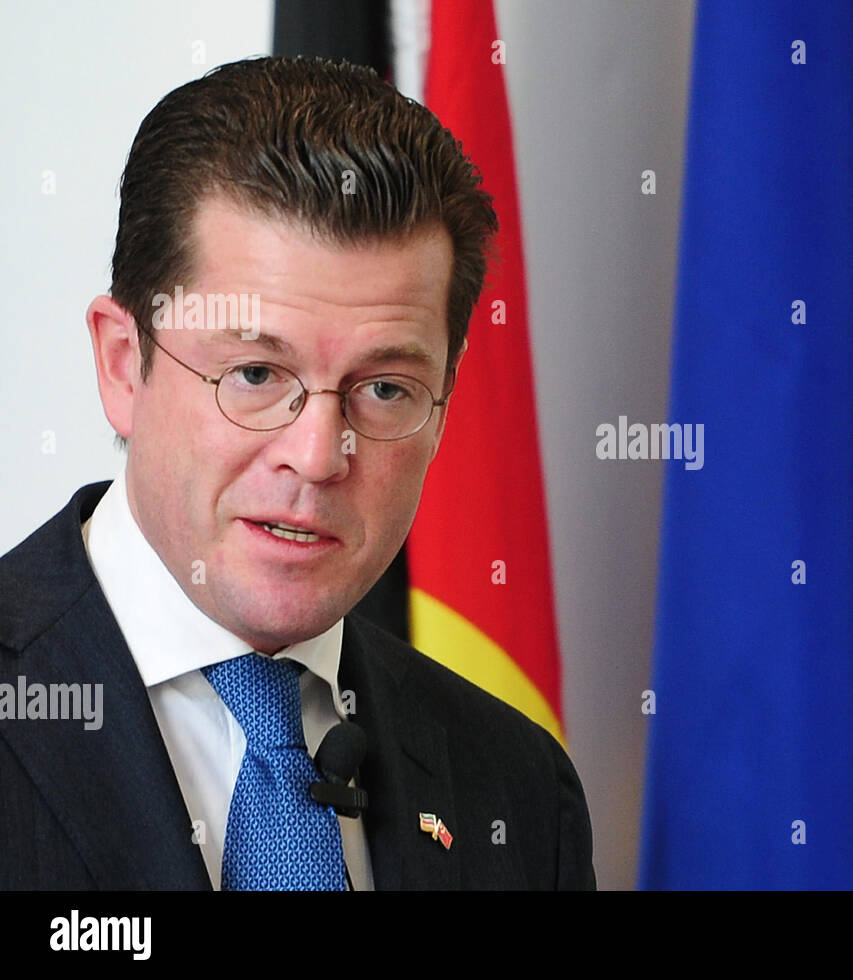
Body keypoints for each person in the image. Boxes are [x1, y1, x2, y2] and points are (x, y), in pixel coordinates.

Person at [0, 56, 595, 890]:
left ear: (443, 410)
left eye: (385, 389)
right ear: (122, 364)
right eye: (254, 374)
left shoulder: (517, 786)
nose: (318, 456)